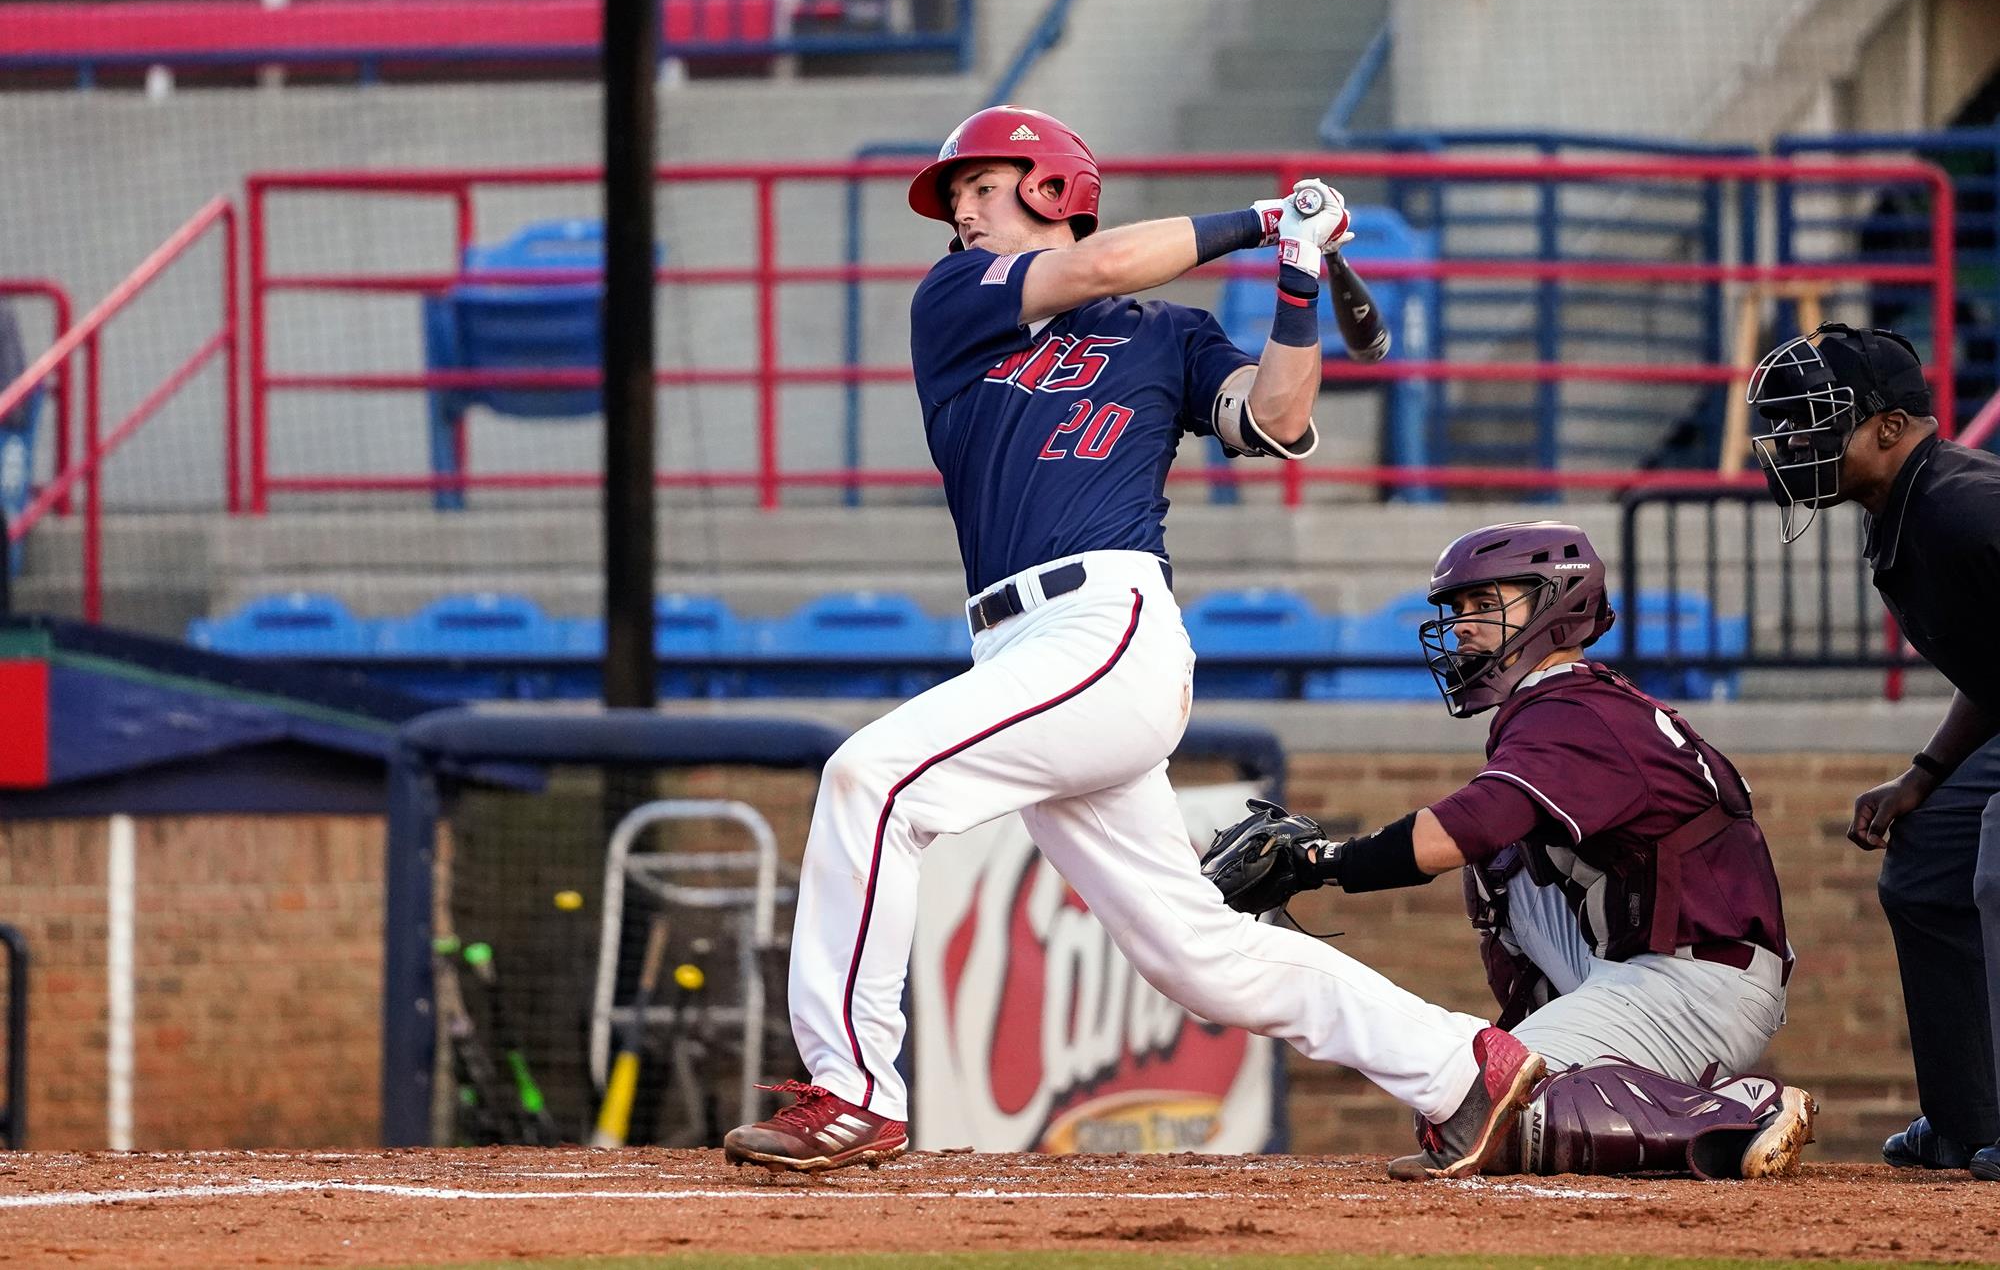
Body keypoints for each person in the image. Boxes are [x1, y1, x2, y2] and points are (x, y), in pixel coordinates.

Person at [721, 105, 1545, 1177]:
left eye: (982, 184)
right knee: (1195, 955)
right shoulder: (956, 302)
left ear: (1050, 186)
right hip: (1021, 652)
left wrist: (1296, 277)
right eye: (956, 192)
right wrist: (1263, 217)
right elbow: (1098, 264)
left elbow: (1278, 420)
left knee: (869, 780)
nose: (961, 208)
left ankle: (853, 1092)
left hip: (1103, 628)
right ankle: (1457, 1067)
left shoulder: (1169, 334)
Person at [1201, 520, 1817, 1179]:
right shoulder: (1569, 700)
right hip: (1650, 956)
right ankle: (1546, 1048)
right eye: (1459, 609)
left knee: (1488, 1107)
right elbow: (1482, 840)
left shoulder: (1571, 710)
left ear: (1555, 603)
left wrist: (1319, 861)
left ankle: (1737, 1109)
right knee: (1501, 878)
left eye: (1484, 603)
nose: (1464, 624)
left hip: (1700, 980)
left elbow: (1451, 833)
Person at [1748, 322, 2000, 1181]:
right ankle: (1968, 1121)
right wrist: (1926, 774)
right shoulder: (1910, 509)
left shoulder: (1963, 506)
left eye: (1817, 422)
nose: (1790, 444)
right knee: (1927, 866)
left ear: (1890, 428)